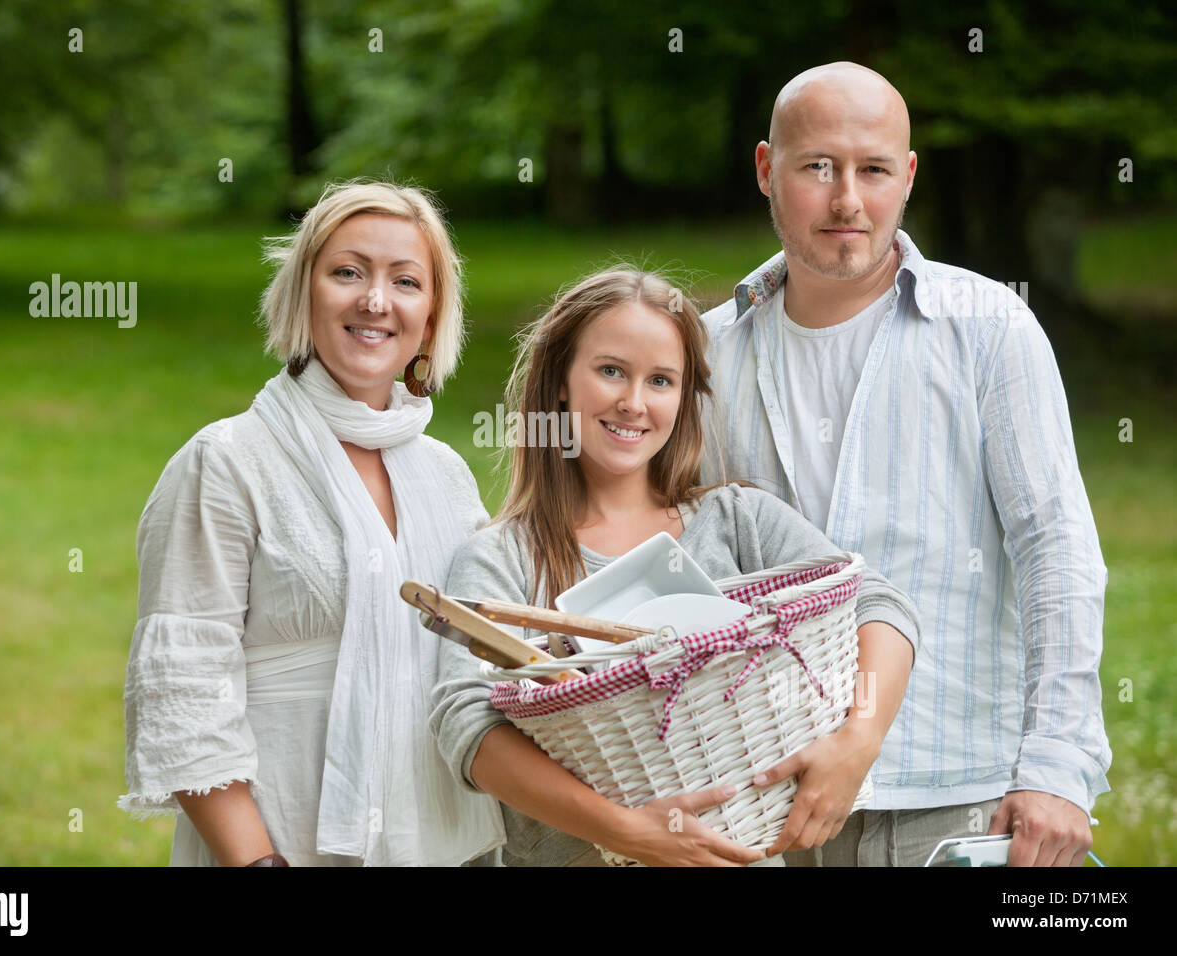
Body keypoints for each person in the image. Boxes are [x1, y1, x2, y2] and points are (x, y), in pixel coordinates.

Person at [699, 62, 1111, 867]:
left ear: (908, 177)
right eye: (818, 167)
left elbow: (1055, 549)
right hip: (767, 805)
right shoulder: (708, 355)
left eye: (874, 170)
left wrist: (1058, 767)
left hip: (959, 796)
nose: (848, 200)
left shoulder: (989, 328)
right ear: (765, 170)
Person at [429, 266, 920, 866]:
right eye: (611, 371)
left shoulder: (737, 520)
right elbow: (466, 724)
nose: (633, 403)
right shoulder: (502, 558)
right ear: (561, 380)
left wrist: (859, 740)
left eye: (660, 380)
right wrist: (629, 834)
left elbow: (876, 601)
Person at [118, 179, 504, 866]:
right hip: (278, 844)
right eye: (347, 272)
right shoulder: (226, 462)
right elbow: (184, 691)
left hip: (443, 844)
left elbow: (485, 660)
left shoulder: (447, 475)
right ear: (304, 292)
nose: (375, 301)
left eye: (406, 281)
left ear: (431, 311)